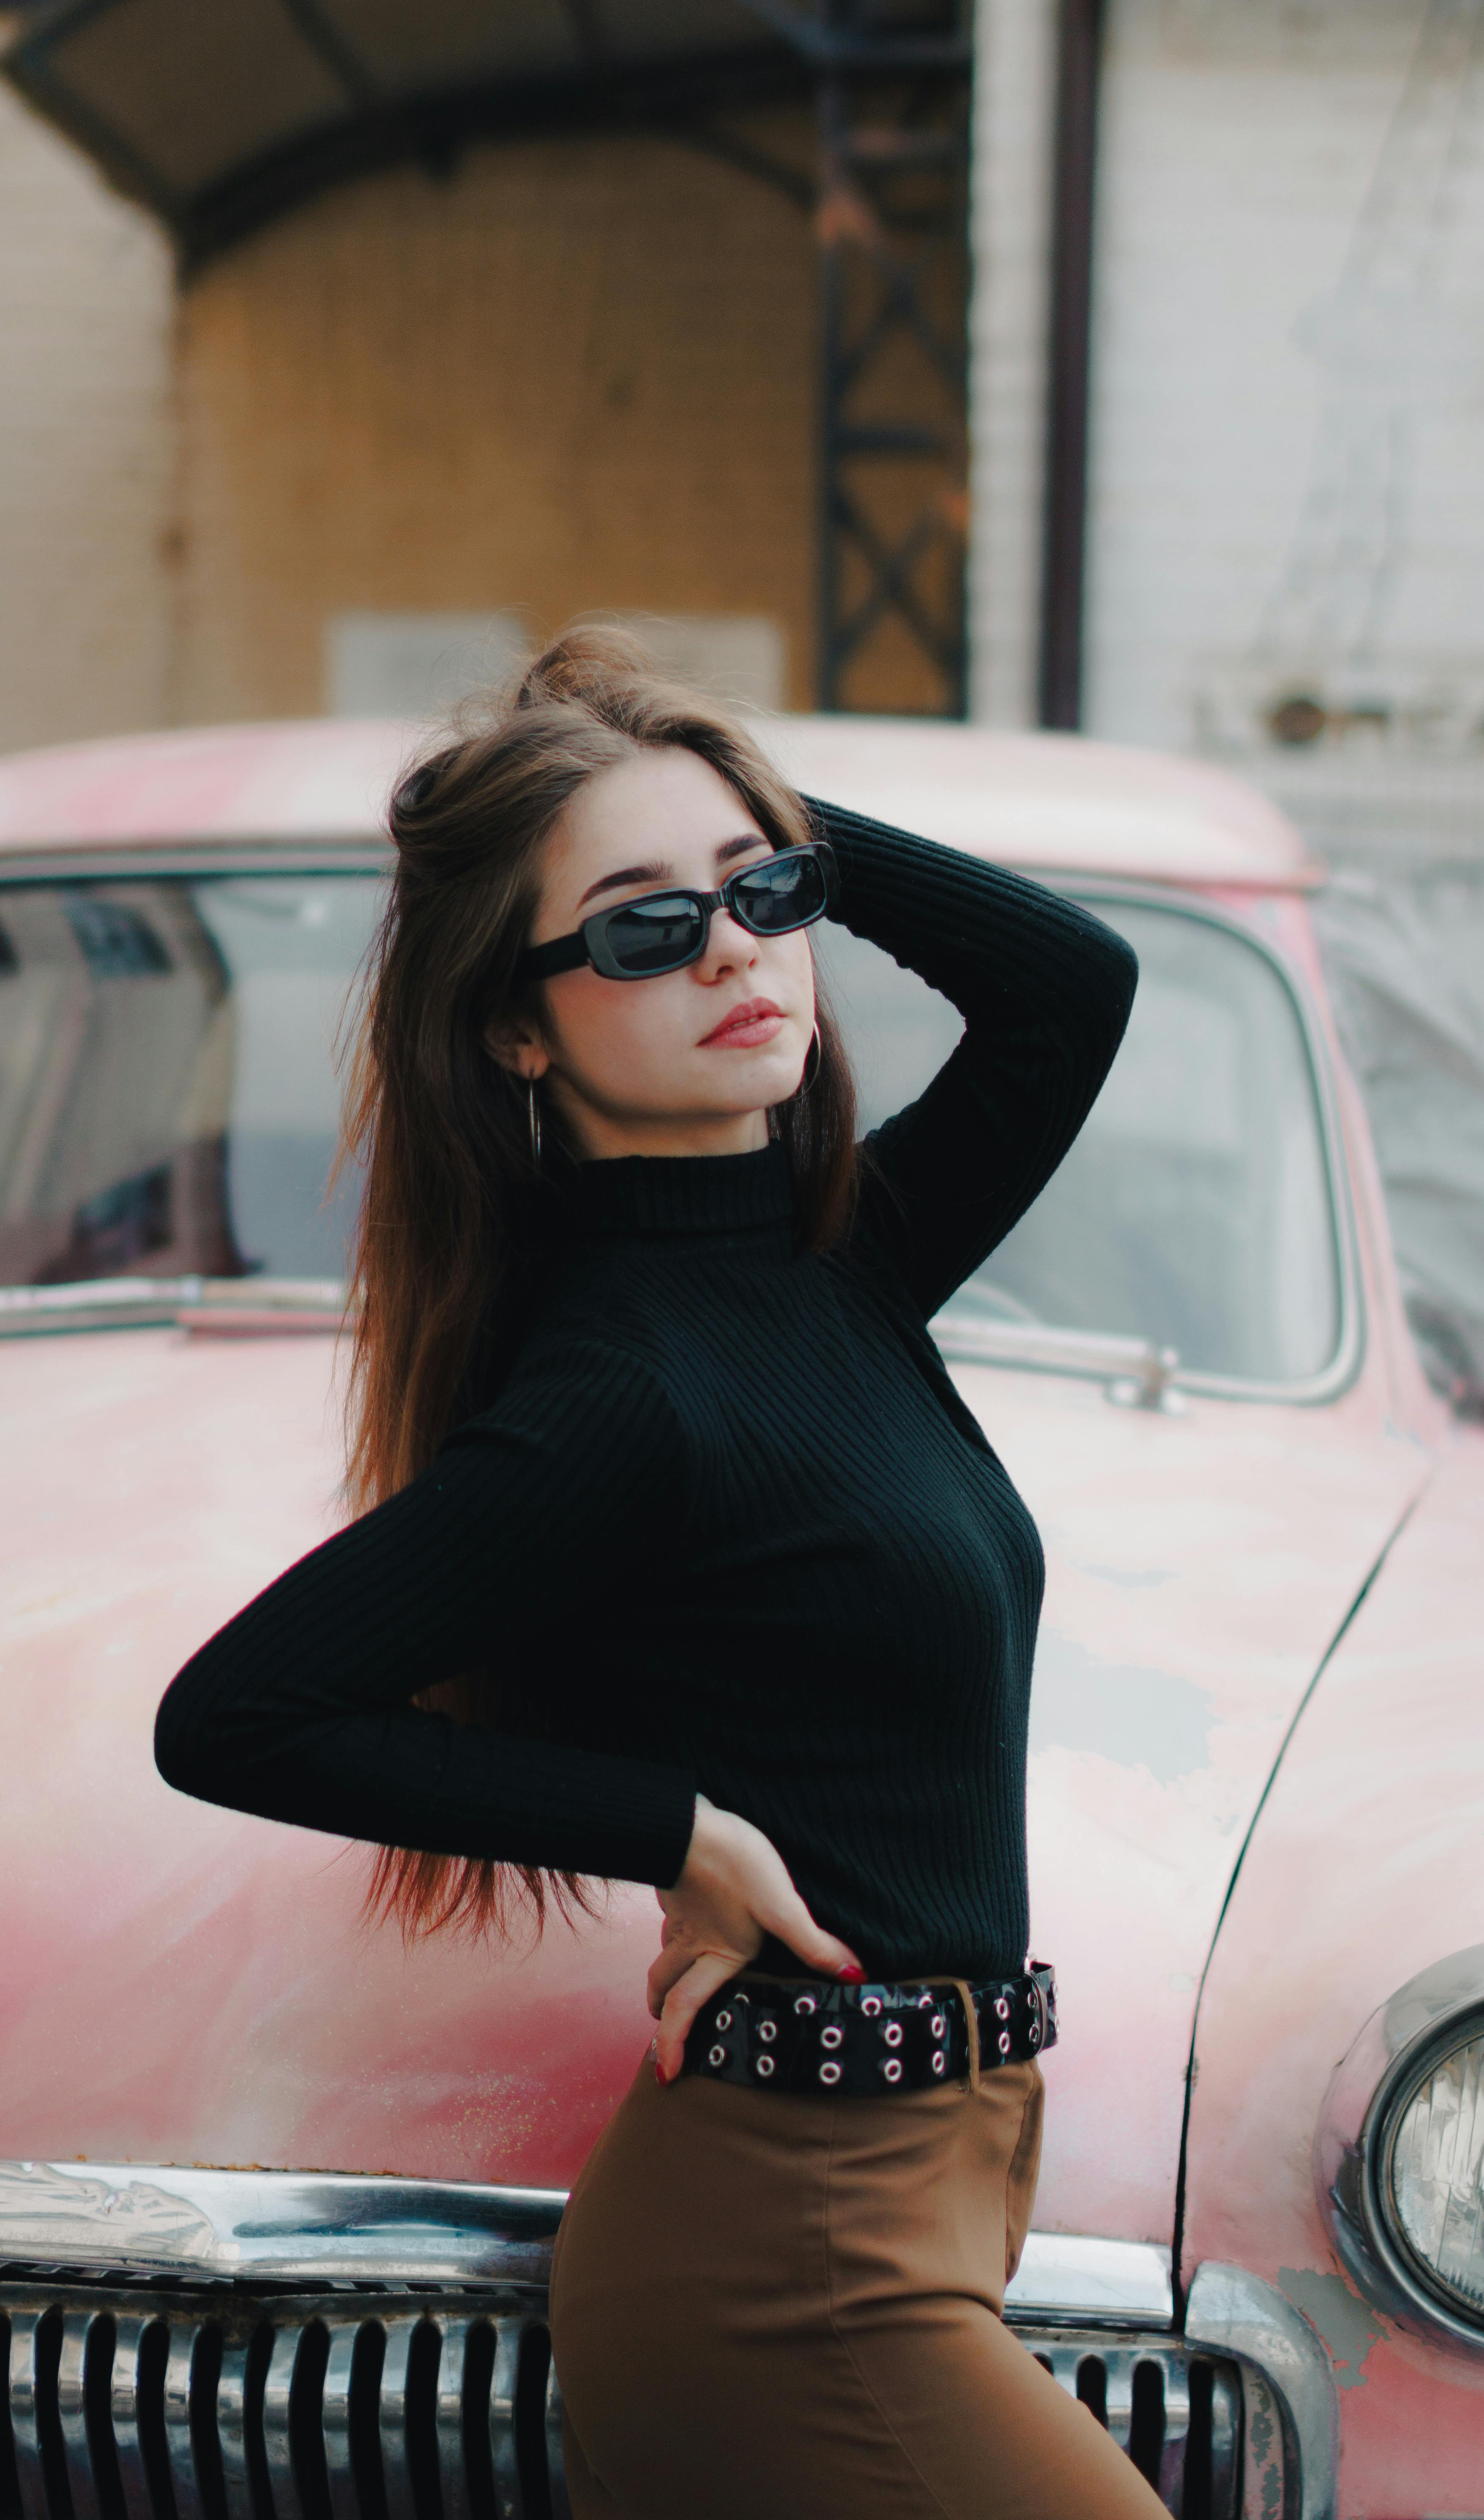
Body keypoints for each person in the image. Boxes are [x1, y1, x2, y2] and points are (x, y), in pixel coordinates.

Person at [154, 627, 1159, 2520]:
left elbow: (1069, 992)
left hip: (926, 2187)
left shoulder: (843, 1270)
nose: (731, 949)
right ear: (513, 1029)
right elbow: (237, 1714)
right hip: (789, 2254)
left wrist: (703, 801)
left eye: (762, 897)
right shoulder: (619, 1392)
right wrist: (678, 1835)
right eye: (637, 928)